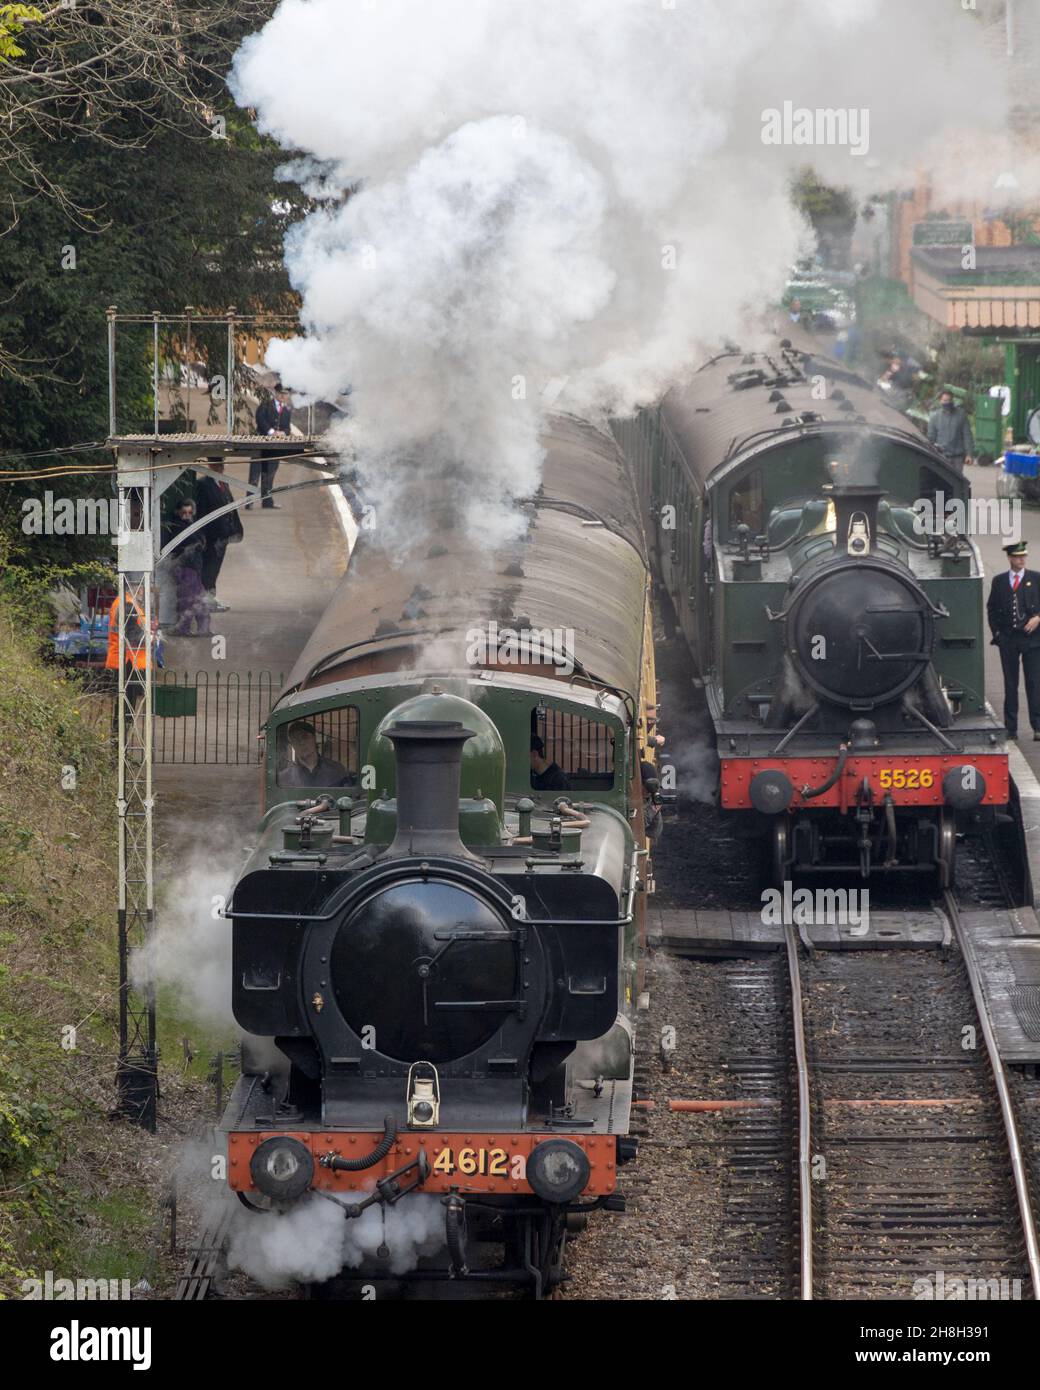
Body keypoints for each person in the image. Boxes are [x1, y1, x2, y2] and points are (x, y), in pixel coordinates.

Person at [987, 539, 1040, 740]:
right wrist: (997, 634)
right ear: (1009, 558)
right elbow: (991, 608)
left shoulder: (1036, 578)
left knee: (1034, 682)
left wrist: (1038, 618)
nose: (1022, 559)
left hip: (1033, 640)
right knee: (1010, 684)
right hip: (1008, 640)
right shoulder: (999, 581)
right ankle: (1011, 728)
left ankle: (1037, 726)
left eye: (1023, 556)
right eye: (1017, 557)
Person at [194, 459, 244, 611]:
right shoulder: (203, 485)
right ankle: (206, 599)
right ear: (211, 466)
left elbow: (229, 506)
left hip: (223, 536)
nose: (221, 467)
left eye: (221, 464)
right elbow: (202, 511)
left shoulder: (223, 484)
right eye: (217, 464)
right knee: (209, 568)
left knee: (215, 568)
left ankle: (211, 597)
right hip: (211, 536)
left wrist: (235, 528)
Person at [105, 579, 150, 735]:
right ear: (134, 587)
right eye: (141, 587)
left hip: (126, 659)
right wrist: (151, 638)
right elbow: (133, 636)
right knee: (125, 708)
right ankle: (119, 742)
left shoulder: (126, 603)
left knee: (125, 706)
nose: (144, 590)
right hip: (127, 661)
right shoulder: (127, 605)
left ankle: (119, 740)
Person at [161, 499, 211, 637]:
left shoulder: (191, 525)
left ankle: (201, 628)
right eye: (184, 512)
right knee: (189, 599)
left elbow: (200, 541)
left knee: (197, 598)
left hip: (192, 567)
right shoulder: (178, 526)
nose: (187, 515)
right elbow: (194, 542)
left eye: (190, 512)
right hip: (184, 567)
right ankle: (187, 628)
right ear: (178, 512)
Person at [251, 384, 293, 509]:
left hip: (275, 447)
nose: (282, 396)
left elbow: (287, 428)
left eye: (285, 394)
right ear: (275, 393)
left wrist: (283, 433)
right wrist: (271, 432)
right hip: (261, 444)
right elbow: (260, 420)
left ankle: (267, 502)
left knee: (270, 474)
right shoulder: (265, 405)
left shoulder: (286, 410)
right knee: (255, 473)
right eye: (280, 393)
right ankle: (249, 502)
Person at [279, 721, 352, 787]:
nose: (301, 742)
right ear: (292, 745)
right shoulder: (285, 778)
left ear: (314, 738)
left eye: (304, 737)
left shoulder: (337, 770)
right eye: (295, 739)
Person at [927, 390, 974, 471]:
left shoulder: (961, 415)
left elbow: (967, 435)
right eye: (945, 400)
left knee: (957, 481)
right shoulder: (935, 417)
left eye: (949, 400)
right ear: (940, 401)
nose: (947, 403)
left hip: (957, 457)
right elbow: (931, 438)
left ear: (953, 401)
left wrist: (969, 454)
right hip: (941, 456)